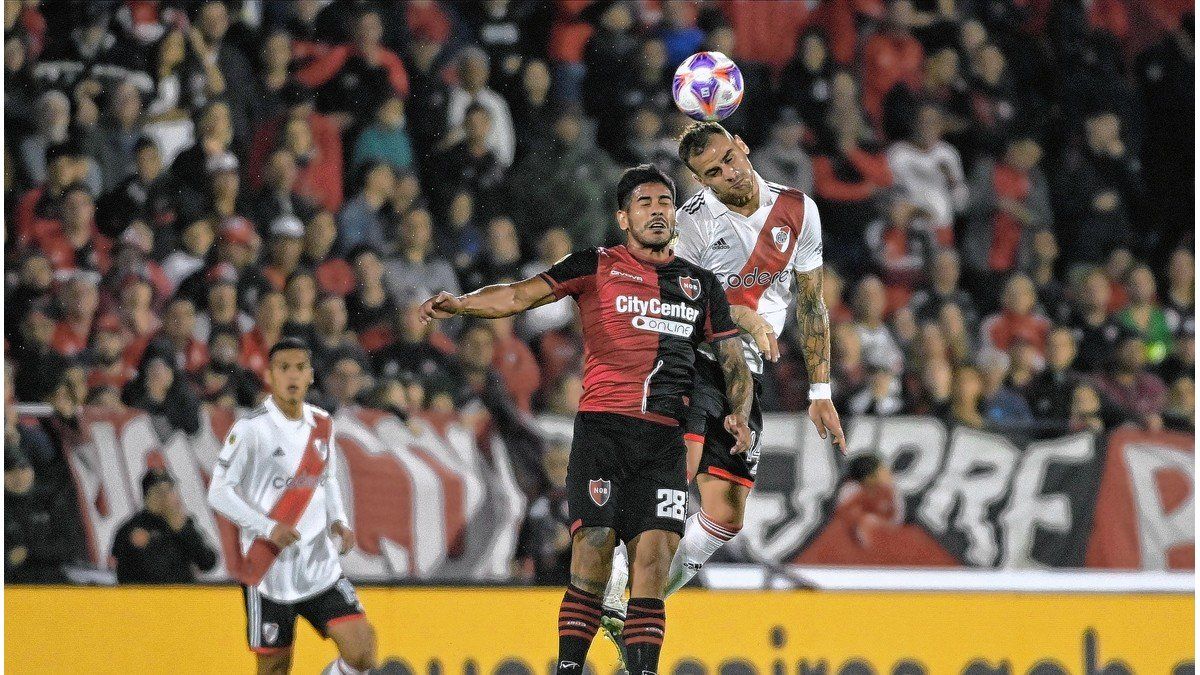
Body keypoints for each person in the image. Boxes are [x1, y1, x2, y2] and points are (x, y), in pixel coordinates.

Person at [419, 165, 754, 674]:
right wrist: (462, 305)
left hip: (664, 440)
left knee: (653, 562)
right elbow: (518, 294)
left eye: (664, 201)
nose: (658, 210)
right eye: (644, 203)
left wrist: (740, 415)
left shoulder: (700, 285)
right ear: (623, 217)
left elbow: (732, 359)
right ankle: (570, 668)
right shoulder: (595, 266)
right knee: (593, 553)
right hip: (603, 431)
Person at [601, 123, 846, 656]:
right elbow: (689, 302)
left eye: (730, 160)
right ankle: (616, 569)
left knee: (725, 516)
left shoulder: (800, 211)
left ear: (745, 147)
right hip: (691, 358)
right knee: (676, 473)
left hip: (746, 376)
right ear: (700, 181)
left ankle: (632, 604)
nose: (728, 174)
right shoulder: (689, 225)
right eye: (712, 173)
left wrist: (820, 390)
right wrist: (746, 319)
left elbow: (810, 303)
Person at [207, 338, 376, 675]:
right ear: (270, 375)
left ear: (311, 375)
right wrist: (268, 527)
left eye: (300, 367)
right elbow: (218, 492)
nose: (292, 375)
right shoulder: (251, 430)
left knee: (362, 650)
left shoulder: (323, 424)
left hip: (318, 567)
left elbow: (325, 478)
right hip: (268, 569)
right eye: (284, 368)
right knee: (274, 669)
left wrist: (338, 521)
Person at [111, 468, 218, 583]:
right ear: (147, 497)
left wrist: (183, 531)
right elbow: (125, 575)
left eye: (169, 490)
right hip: (149, 598)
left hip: (186, 596)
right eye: (159, 492)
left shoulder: (184, 523)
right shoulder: (131, 529)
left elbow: (208, 563)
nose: (166, 497)